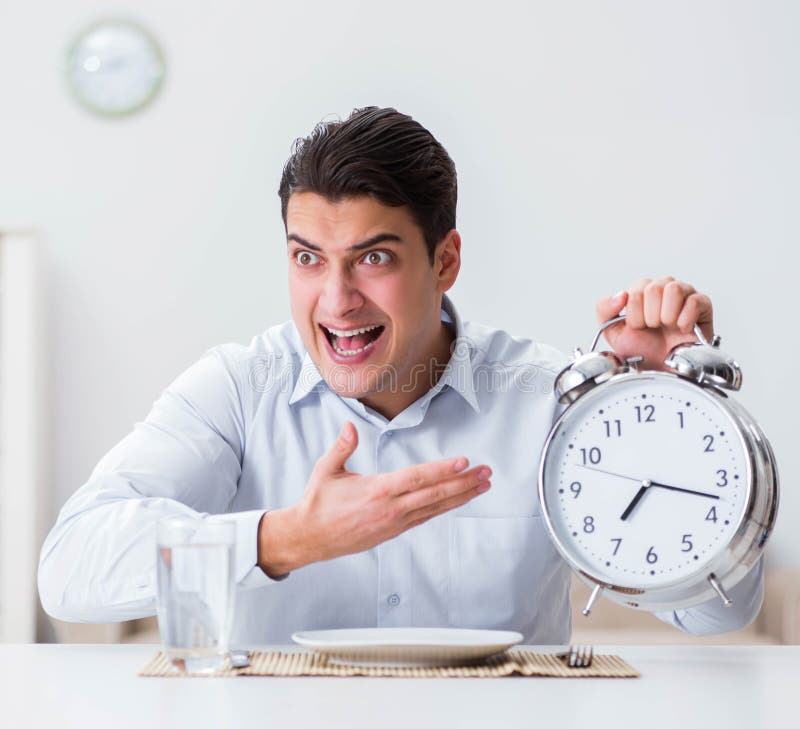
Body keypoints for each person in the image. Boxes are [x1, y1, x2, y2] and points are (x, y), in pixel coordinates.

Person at [38, 106, 763, 644]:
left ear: (444, 260)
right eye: (308, 257)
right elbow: (69, 570)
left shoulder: (548, 399)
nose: (336, 298)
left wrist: (673, 405)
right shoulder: (237, 388)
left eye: (374, 258)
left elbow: (716, 613)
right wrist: (287, 537)